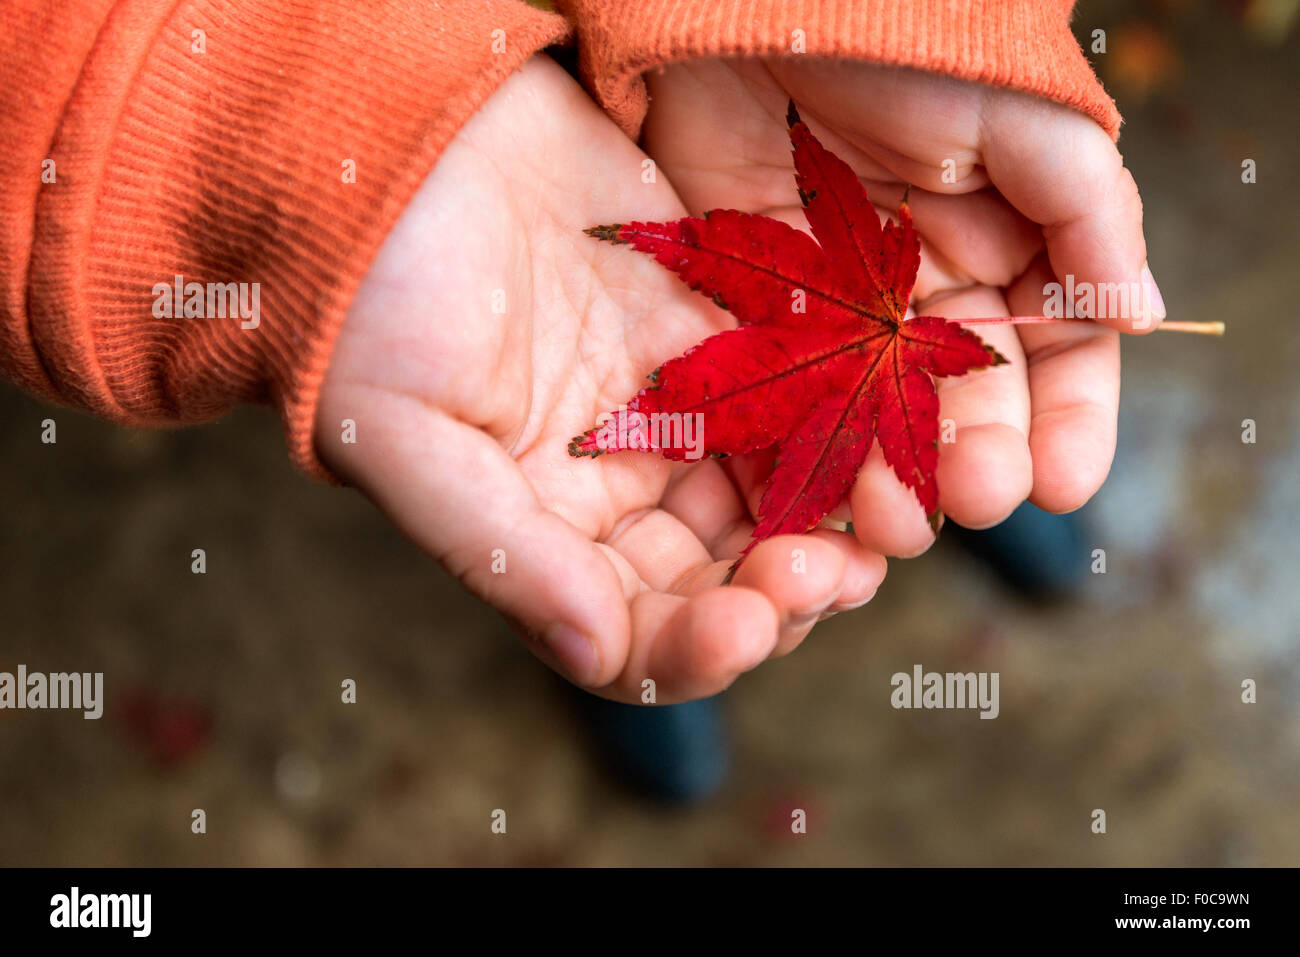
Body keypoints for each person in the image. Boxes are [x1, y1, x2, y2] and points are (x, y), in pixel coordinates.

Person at [1, 1, 1160, 713]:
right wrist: (291, 120)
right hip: (431, 83)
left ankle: (936, 480)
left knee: (954, 386)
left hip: (718, 80)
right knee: (570, 450)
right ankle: (639, 610)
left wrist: (846, 15)